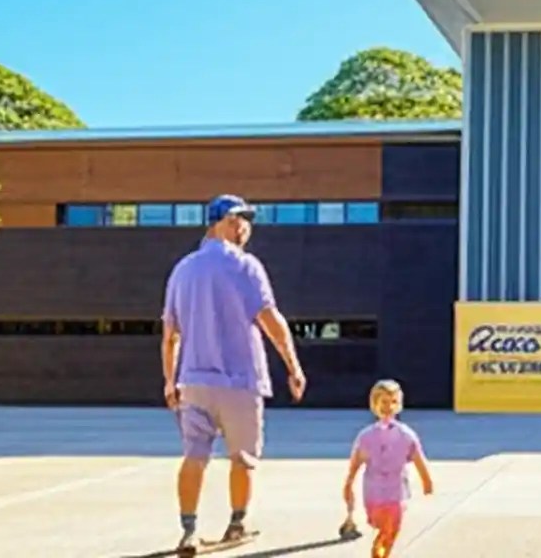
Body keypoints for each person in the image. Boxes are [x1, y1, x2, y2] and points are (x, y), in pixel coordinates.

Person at [160, 194, 307, 556]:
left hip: (193, 380)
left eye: (248, 220)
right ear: (221, 221)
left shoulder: (182, 269)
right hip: (240, 381)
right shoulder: (246, 266)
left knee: (194, 456)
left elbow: (170, 334)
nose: (246, 227)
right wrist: (293, 366)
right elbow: (270, 319)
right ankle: (237, 523)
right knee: (243, 458)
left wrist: (169, 380)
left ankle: (188, 530)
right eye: (240, 219)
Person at [343, 379, 434, 558]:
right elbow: (356, 462)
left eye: (393, 402)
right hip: (374, 494)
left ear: (399, 405)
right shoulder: (366, 436)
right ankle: (377, 552)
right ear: (374, 404)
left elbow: (418, 457)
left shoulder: (406, 434)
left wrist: (427, 481)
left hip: (397, 494)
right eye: (383, 402)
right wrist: (349, 483)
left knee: (392, 531)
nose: (388, 407)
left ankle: (382, 553)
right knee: (385, 530)